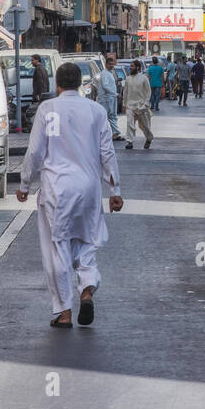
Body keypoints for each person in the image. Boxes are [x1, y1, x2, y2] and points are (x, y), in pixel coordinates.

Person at [17, 62, 124, 328]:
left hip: (57, 189)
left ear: (57, 83)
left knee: (59, 247)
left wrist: (24, 184)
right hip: (89, 187)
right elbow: (107, 153)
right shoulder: (97, 111)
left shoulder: (47, 109)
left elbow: (35, 153)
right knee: (86, 241)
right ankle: (87, 287)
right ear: (80, 83)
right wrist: (115, 190)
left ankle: (64, 311)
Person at [122, 60, 153, 149]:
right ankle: (129, 142)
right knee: (129, 123)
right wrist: (124, 104)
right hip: (130, 106)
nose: (130, 68)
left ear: (137, 67)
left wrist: (146, 103)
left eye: (132, 66)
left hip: (141, 106)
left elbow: (148, 92)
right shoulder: (128, 79)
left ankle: (149, 138)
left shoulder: (144, 78)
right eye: (130, 66)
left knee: (144, 126)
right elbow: (125, 92)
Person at [97, 53, 122, 141]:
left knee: (112, 116)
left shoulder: (110, 73)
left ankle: (115, 133)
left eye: (112, 64)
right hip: (106, 98)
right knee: (110, 116)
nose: (111, 66)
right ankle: (115, 133)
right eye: (110, 64)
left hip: (111, 98)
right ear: (106, 64)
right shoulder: (104, 74)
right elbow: (105, 86)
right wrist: (115, 94)